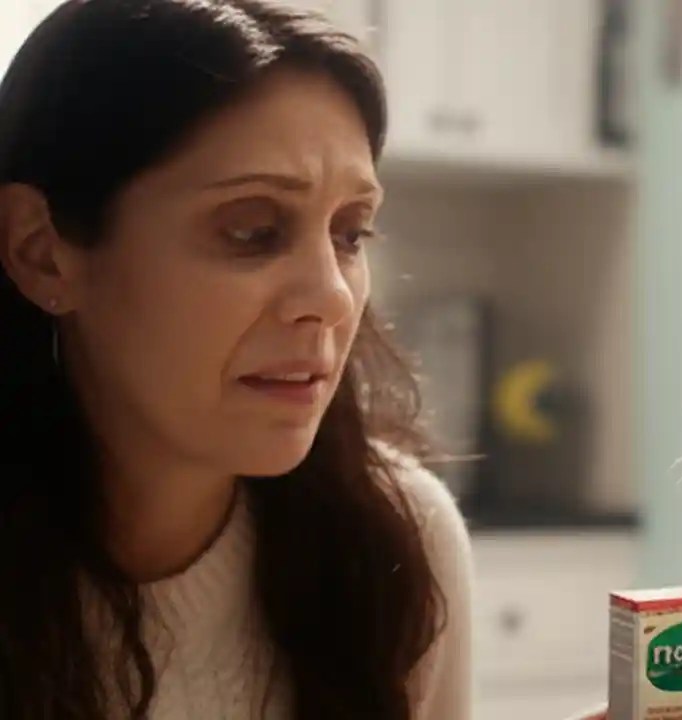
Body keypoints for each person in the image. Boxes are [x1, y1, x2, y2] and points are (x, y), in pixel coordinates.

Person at [0, 1, 472, 718]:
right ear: (42, 252)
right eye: (252, 230)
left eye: (350, 235)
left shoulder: (398, 540)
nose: (332, 298)